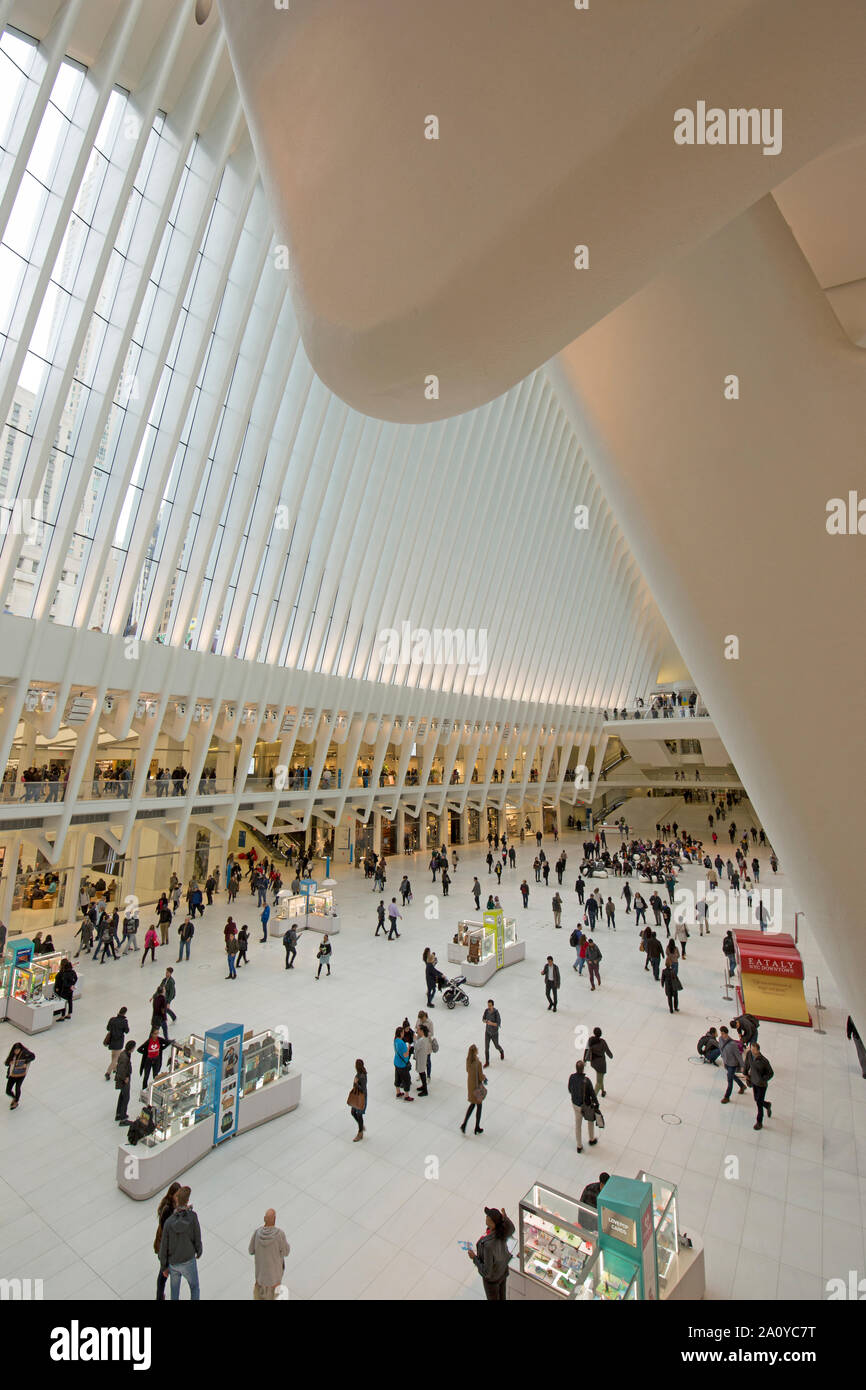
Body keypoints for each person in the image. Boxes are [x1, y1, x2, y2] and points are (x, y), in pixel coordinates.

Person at [159, 1186, 202, 1301]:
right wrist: (199, 1250)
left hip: (174, 1263)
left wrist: (164, 1266)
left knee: (174, 1293)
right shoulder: (193, 1217)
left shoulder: (168, 1223)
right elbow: (197, 1236)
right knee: (194, 1287)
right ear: (187, 1200)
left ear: (177, 1199)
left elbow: (164, 1246)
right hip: (188, 1260)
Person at [467, 1206, 515, 1300]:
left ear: (492, 1222)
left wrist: (474, 1258)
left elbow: (487, 1272)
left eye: (488, 1216)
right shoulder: (502, 1231)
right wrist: (505, 1218)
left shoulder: (489, 1245)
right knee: (502, 1297)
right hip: (502, 1271)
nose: (486, 1217)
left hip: (493, 1280)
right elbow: (511, 1229)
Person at [249, 1209, 291, 1299]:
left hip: (260, 1279)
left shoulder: (257, 1233)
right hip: (274, 1281)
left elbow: (251, 1250)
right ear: (275, 1219)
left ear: (264, 1219)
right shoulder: (280, 1234)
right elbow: (286, 1252)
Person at [153, 1183, 180, 1301]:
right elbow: (166, 1229)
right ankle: (159, 1297)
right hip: (165, 1246)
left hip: (168, 1246)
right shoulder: (167, 1209)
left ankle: (160, 1296)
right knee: (163, 1274)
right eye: (177, 1195)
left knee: (164, 1274)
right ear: (172, 1194)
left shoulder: (173, 1205)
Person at [568, 1059, 599, 1153]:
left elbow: (569, 1089)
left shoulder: (572, 1077)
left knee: (578, 1124)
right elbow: (592, 1094)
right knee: (590, 1121)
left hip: (575, 1104)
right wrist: (596, 1103)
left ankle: (579, 1146)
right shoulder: (586, 1080)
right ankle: (591, 1139)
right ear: (583, 1069)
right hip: (585, 1105)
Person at [744, 1041, 774, 1130]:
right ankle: (767, 1105)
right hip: (754, 1082)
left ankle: (759, 1122)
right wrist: (745, 1073)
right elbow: (747, 1063)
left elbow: (771, 1073)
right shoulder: (749, 1054)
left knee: (759, 1104)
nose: (752, 1052)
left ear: (758, 1051)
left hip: (761, 1085)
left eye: (754, 1050)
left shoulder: (764, 1061)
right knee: (757, 1099)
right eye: (751, 1049)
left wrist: (762, 1079)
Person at [461, 1043, 485, 1133]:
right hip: (477, 1087)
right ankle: (477, 1127)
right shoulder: (478, 1063)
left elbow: (468, 1071)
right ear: (476, 1052)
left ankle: (464, 1124)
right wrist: (484, 1077)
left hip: (470, 1086)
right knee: (479, 1106)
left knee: (472, 1104)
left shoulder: (468, 1061)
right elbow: (480, 1076)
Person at [719, 1026, 747, 1103]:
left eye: (723, 1033)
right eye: (721, 1033)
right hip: (726, 1062)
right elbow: (721, 1049)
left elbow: (738, 1055)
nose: (721, 1035)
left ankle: (726, 1097)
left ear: (726, 1033)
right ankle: (742, 1086)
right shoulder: (720, 1039)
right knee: (731, 1075)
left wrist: (742, 1066)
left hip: (732, 1064)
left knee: (730, 1079)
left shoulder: (732, 1044)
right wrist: (723, 1059)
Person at [5, 1041, 35, 1109]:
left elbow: (33, 1056)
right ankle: (14, 1097)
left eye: (18, 1050)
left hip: (21, 1074)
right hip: (12, 1074)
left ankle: (16, 1101)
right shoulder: (12, 1055)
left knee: (17, 1087)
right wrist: (10, 1062)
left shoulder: (24, 1053)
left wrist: (26, 1062)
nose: (16, 1051)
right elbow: (6, 1063)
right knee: (8, 1090)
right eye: (15, 1050)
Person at [586, 1026, 612, 1097]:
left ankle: (603, 1091)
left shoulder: (591, 1040)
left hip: (594, 1062)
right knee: (599, 1082)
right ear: (600, 1034)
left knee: (600, 1078)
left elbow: (587, 1050)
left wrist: (585, 1060)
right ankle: (593, 1098)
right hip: (601, 1064)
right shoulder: (602, 1042)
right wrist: (611, 1056)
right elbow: (608, 1052)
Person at [104, 1007, 130, 1079]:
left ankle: (114, 1068)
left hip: (112, 1040)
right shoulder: (124, 1021)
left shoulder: (112, 1019)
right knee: (116, 1057)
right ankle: (108, 1072)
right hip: (119, 1041)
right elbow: (127, 1031)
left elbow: (108, 1028)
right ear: (125, 1013)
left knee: (113, 1055)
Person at [114, 1038, 136, 1124]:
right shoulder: (124, 1057)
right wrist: (125, 1078)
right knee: (126, 1098)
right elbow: (121, 1069)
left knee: (122, 1096)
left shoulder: (125, 1054)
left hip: (123, 1079)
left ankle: (119, 1114)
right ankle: (123, 1118)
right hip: (124, 1080)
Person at [348, 1059, 368, 1140]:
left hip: (361, 1098)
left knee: (359, 1115)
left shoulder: (362, 1076)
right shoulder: (359, 1074)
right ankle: (361, 1125)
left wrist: (356, 1083)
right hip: (357, 1097)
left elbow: (363, 1089)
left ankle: (360, 1133)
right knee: (353, 1112)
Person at [394, 1026, 414, 1102]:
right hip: (402, 1064)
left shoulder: (395, 1040)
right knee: (406, 1079)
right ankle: (406, 1096)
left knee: (397, 1077)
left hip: (396, 1062)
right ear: (401, 1033)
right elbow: (405, 1055)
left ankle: (398, 1092)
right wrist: (409, 1048)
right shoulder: (402, 1043)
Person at [482, 1000, 505, 1066]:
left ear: (493, 1005)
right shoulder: (486, 1011)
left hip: (494, 1033)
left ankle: (501, 1051)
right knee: (486, 1047)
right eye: (488, 1005)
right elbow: (483, 1019)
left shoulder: (496, 1013)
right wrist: (485, 1021)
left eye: (490, 1005)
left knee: (496, 1045)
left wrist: (491, 1023)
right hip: (487, 1032)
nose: (489, 1007)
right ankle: (487, 1062)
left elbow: (498, 1024)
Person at [414, 1025, 432, 1096]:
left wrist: (415, 1039)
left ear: (421, 1031)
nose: (417, 1031)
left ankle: (425, 1090)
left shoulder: (422, 1040)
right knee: (422, 1072)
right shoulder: (424, 1038)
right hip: (422, 1057)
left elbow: (416, 1047)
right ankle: (423, 1086)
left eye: (418, 1030)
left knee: (422, 1073)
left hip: (421, 1058)